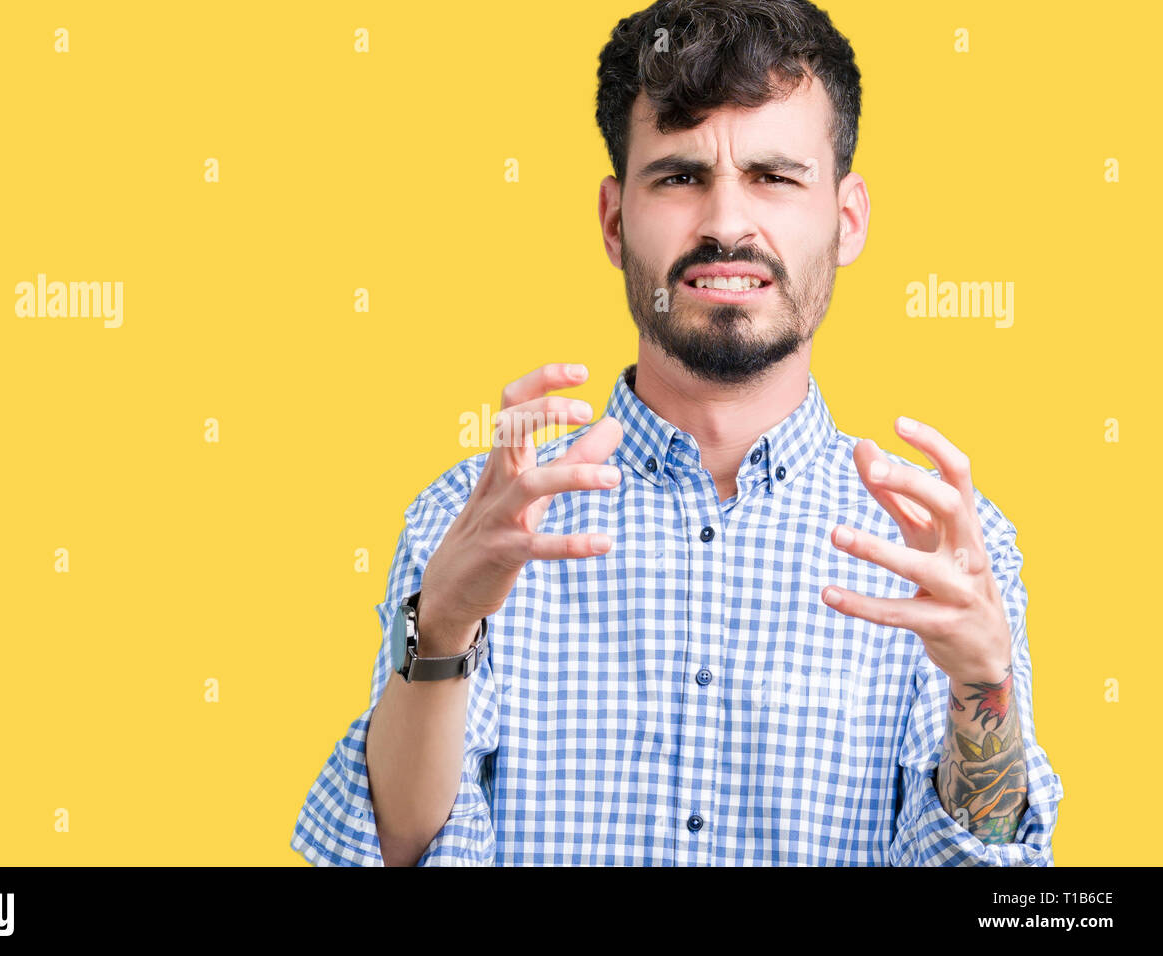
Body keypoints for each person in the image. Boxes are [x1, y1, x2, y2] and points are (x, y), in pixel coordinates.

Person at [290, 0, 1062, 866]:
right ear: (616, 221)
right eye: (681, 177)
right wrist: (437, 632)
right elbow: (392, 855)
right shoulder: (474, 523)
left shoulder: (951, 551)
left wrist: (984, 688)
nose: (727, 225)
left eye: (775, 176)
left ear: (848, 219)